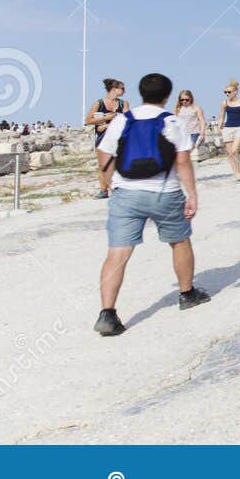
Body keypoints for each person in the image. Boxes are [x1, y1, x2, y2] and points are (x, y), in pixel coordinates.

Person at [94, 72, 209, 336]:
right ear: (168, 96)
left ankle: (107, 313)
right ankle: (187, 294)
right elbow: (182, 161)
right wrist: (192, 194)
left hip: (126, 194)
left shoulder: (123, 119)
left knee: (117, 253)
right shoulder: (173, 121)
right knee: (179, 241)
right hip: (165, 192)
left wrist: (110, 182)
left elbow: (103, 152)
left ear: (141, 93)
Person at [86, 78, 128, 200]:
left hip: (118, 136)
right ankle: (103, 190)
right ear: (114, 89)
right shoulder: (99, 103)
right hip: (103, 136)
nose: (124, 91)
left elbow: (128, 119)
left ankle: (117, 188)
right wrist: (105, 118)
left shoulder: (123, 104)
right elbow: (88, 120)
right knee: (102, 164)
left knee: (118, 162)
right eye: (122, 88)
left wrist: (110, 125)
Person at [217, 80, 240, 181]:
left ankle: (237, 172)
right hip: (227, 128)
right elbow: (221, 116)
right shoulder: (224, 103)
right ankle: (237, 173)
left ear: (235, 92)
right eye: (225, 92)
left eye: (229, 92)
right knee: (231, 153)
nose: (227, 94)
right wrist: (219, 126)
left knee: (234, 150)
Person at [174, 90, 207, 156]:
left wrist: (202, 133)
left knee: (188, 150)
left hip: (194, 133)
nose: (184, 101)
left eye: (187, 100)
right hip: (182, 134)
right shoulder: (177, 109)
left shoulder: (196, 108)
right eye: (182, 100)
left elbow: (202, 121)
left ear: (191, 99)